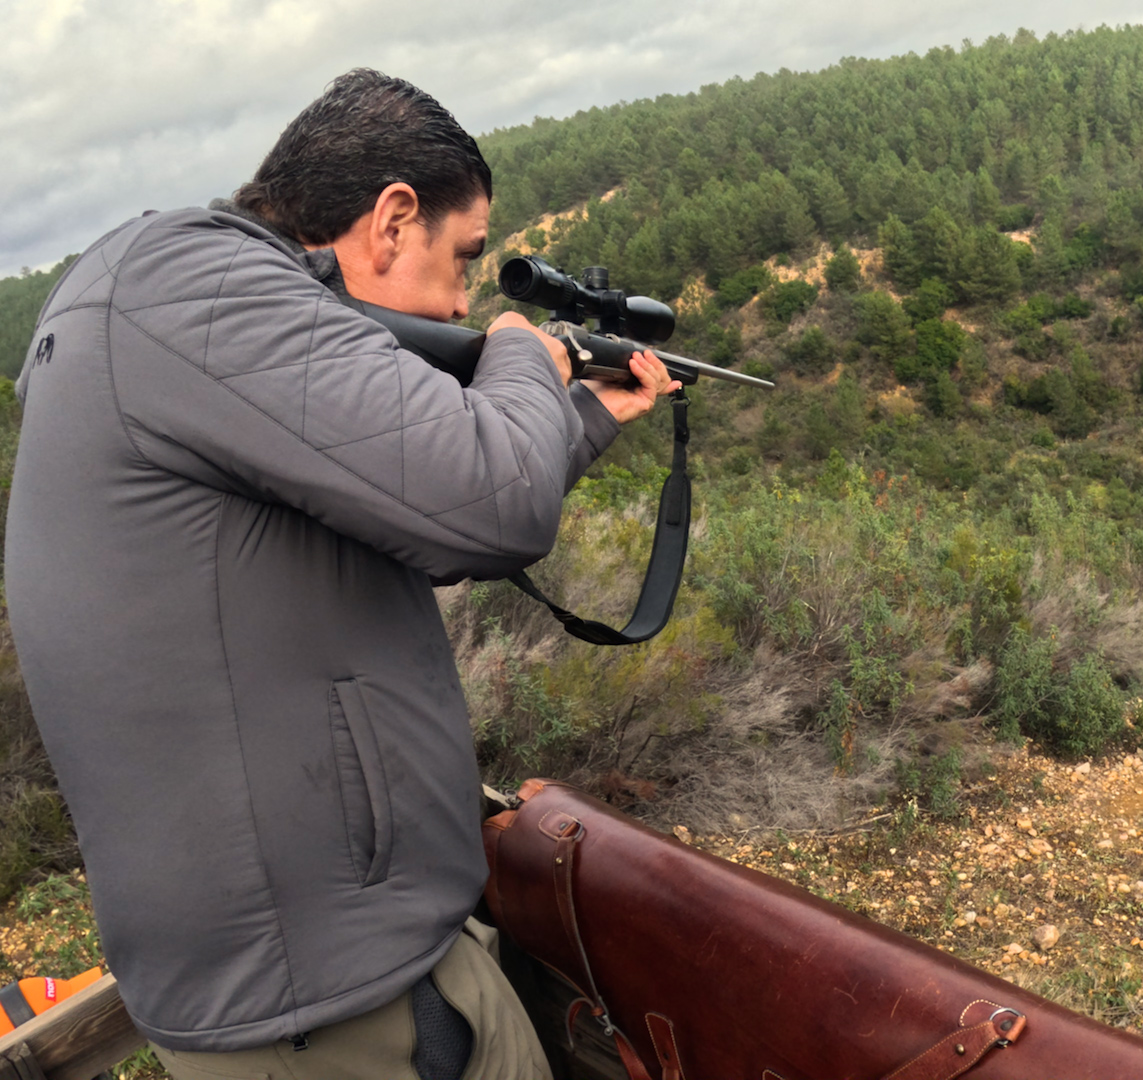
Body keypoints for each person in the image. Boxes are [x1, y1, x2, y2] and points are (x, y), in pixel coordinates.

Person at [5, 69, 677, 1078]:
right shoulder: (193, 282)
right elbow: (488, 504)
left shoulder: (168, 306)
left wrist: (577, 418)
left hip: (351, 973)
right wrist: (517, 356)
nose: (458, 299)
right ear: (393, 219)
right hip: (335, 1011)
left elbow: (408, 511)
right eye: (460, 262)